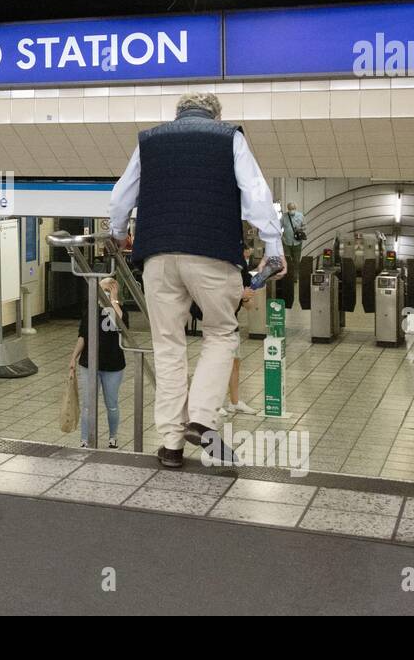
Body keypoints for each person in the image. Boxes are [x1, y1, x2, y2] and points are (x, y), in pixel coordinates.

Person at [108, 92, 285, 469]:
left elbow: (122, 196)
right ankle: (202, 419)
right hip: (211, 251)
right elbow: (256, 195)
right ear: (216, 114)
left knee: (168, 345)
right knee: (220, 332)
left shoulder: (150, 140)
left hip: (157, 255)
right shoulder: (228, 137)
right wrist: (273, 245)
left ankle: (171, 444)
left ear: (178, 115)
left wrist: (118, 232)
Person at [68, 277, 126, 448]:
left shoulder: (121, 310)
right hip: (89, 363)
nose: (104, 295)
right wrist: (73, 358)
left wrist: (113, 299)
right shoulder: (90, 310)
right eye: (102, 291)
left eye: (107, 290)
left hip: (113, 364)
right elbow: (83, 336)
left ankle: (113, 436)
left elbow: (120, 321)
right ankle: (85, 439)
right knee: (88, 403)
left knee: (112, 403)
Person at [220, 241, 260, 417]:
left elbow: (250, 305)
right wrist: (240, 295)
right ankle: (214, 403)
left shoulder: (241, 270)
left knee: (235, 362)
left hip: (232, 322)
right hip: (217, 321)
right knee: (219, 362)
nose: (246, 257)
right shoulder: (219, 267)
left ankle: (234, 402)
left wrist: (245, 298)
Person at [281, 202, 306, 275]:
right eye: (290, 209)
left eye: (292, 209)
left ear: (295, 208)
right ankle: (288, 277)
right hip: (286, 242)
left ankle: (295, 277)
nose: (291, 210)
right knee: (287, 260)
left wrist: (300, 228)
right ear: (287, 209)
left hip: (297, 242)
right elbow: (279, 227)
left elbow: (305, 226)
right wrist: (282, 237)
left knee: (296, 260)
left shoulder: (300, 216)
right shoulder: (284, 216)